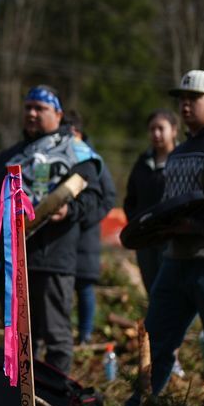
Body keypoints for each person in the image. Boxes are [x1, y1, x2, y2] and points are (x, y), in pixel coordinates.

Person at [126, 70, 204, 406]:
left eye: (193, 98)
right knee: (156, 338)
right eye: (181, 99)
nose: (185, 104)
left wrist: (196, 226)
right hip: (176, 259)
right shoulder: (180, 151)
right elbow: (170, 203)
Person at [0, 86, 103, 377]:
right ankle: (21, 402)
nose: (31, 113)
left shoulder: (77, 153)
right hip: (14, 258)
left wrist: (69, 211)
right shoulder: (12, 155)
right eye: (28, 107)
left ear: (57, 114)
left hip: (53, 257)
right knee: (19, 336)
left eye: (39, 108)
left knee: (55, 334)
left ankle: (56, 400)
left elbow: (96, 199)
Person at [62, 111, 117, 344]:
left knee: (84, 287)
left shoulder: (93, 160)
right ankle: (62, 334)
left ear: (80, 133)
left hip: (86, 236)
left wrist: (86, 217)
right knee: (61, 290)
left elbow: (108, 197)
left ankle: (84, 334)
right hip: (62, 235)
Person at [123, 110, 179, 293]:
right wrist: (136, 223)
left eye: (161, 128)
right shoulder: (143, 162)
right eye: (152, 129)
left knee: (171, 292)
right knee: (152, 291)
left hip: (171, 239)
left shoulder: (181, 160)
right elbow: (131, 198)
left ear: (174, 131)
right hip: (146, 240)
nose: (156, 134)